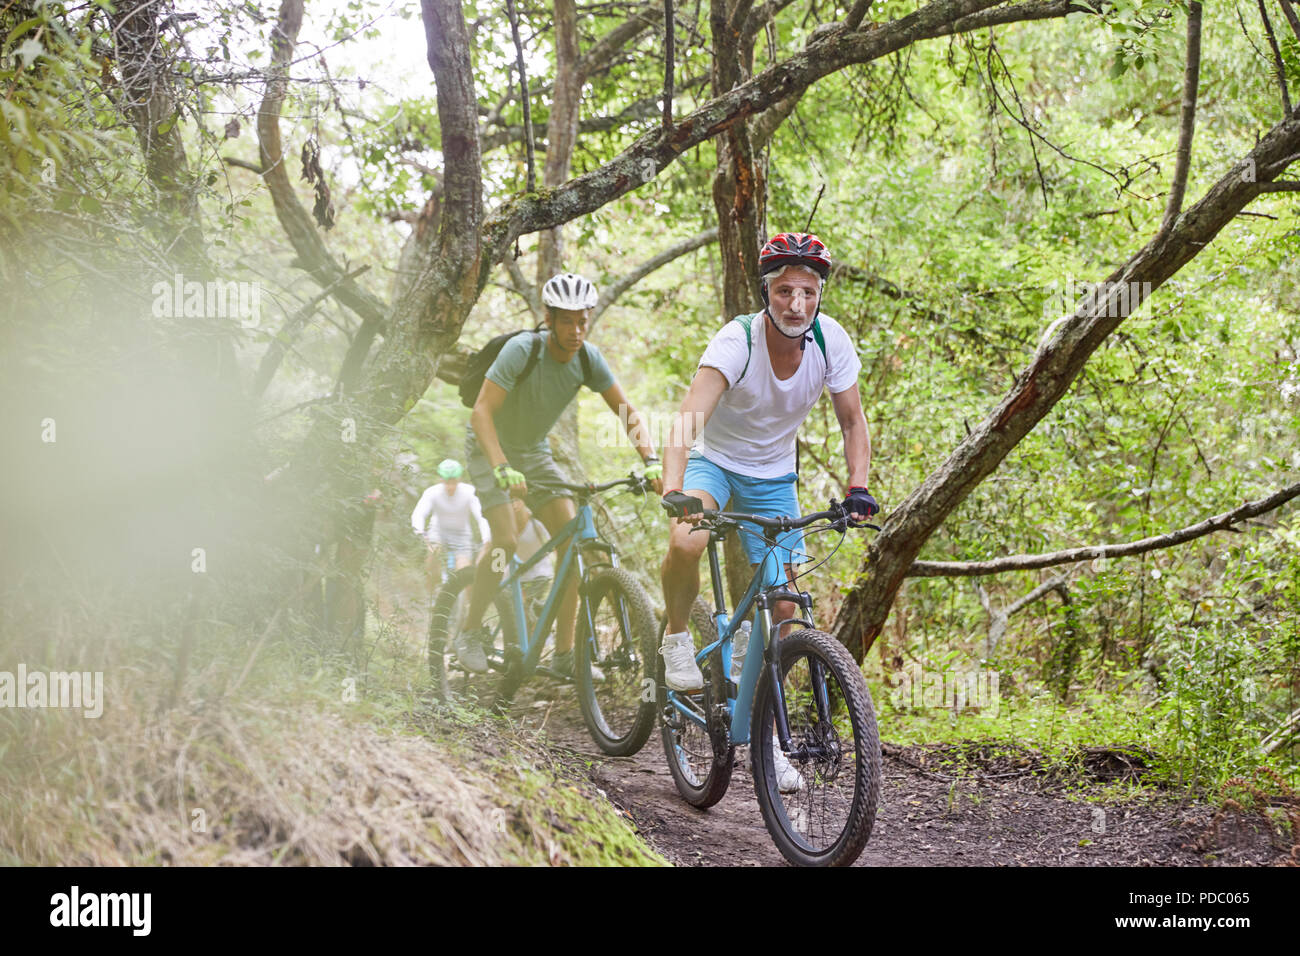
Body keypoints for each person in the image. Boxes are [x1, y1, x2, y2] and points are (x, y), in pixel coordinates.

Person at [657, 232, 880, 791]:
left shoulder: (831, 343)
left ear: (819, 293)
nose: (797, 304)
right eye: (785, 291)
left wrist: (858, 487)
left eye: (807, 291)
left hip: (775, 477)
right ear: (766, 291)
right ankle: (677, 638)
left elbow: (853, 423)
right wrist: (673, 485)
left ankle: (765, 735)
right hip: (715, 463)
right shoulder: (739, 341)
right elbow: (688, 418)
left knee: (785, 608)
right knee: (686, 542)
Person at [458, 272, 663, 678]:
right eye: (567, 321)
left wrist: (651, 460)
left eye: (583, 320)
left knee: (570, 544)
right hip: (490, 448)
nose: (576, 330)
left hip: (533, 452)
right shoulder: (522, 350)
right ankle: (471, 630)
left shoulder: (588, 359)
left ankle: (566, 655)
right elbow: (481, 411)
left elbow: (626, 411)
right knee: (504, 539)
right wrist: (501, 467)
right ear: (548, 318)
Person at [411, 459, 490, 591]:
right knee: (433, 553)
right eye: (447, 482)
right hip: (438, 531)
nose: (450, 486)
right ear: (441, 479)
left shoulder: (469, 492)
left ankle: (467, 606)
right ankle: (431, 597)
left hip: (461, 535)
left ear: (459, 479)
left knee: (465, 572)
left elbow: (481, 517)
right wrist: (419, 531)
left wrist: (486, 538)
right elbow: (419, 514)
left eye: (453, 482)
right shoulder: (432, 492)